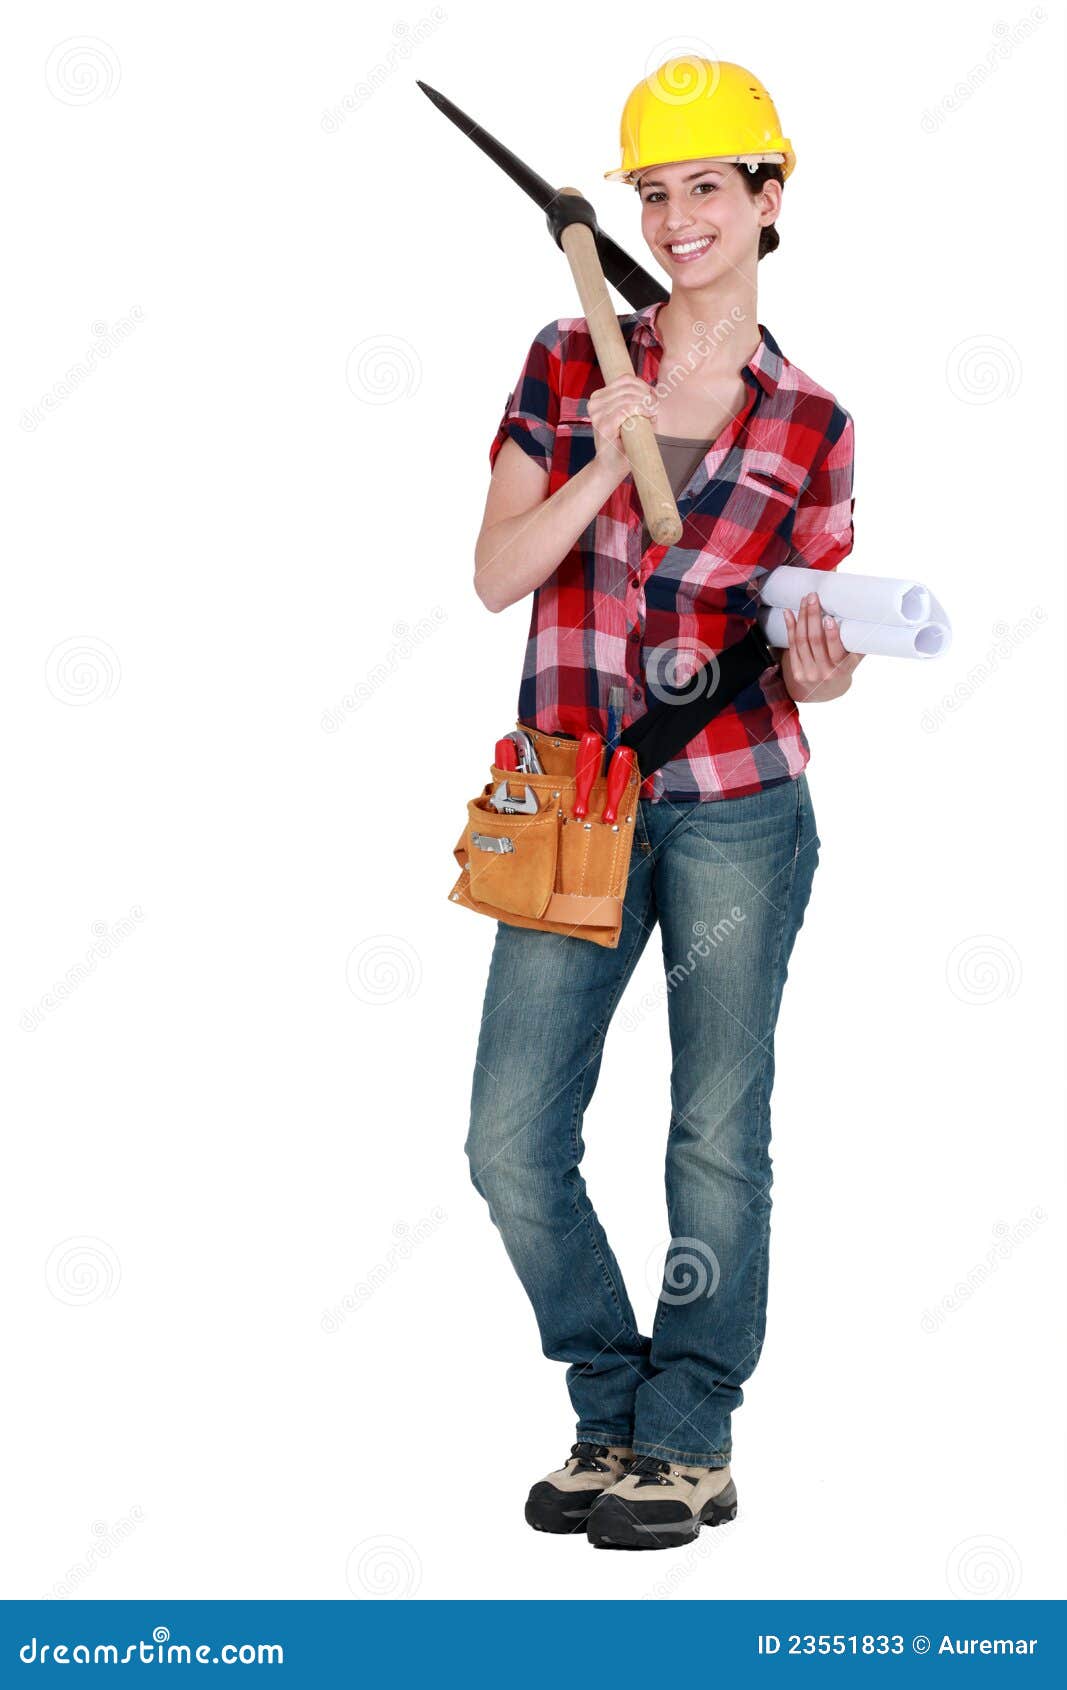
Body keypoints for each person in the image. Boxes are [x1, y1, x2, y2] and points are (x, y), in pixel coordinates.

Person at [465, 57, 864, 1552]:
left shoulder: (814, 419)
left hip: (740, 801)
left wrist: (823, 664)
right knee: (510, 1136)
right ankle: (610, 1393)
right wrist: (601, 448)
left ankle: (686, 1437)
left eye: (710, 184)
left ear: (770, 198)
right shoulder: (567, 361)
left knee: (715, 1128)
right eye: (656, 189)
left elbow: (809, 651)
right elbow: (500, 571)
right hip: (573, 788)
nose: (679, 214)